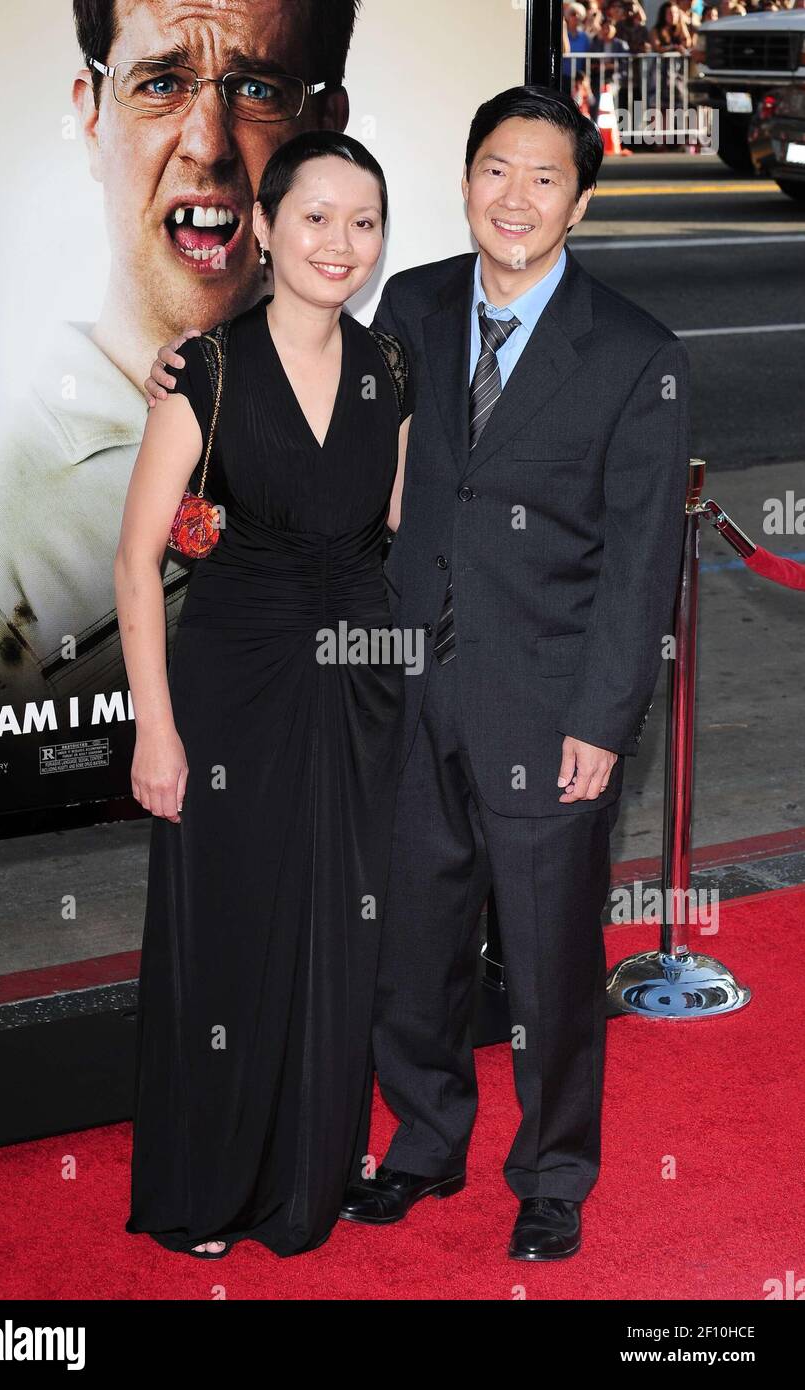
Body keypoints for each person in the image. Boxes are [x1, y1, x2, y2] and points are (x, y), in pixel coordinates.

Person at [148, 84, 691, 1261]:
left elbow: (647, 565)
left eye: (545, 178)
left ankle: (551, 1175)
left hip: (550, 709)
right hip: (396, 693)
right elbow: (300, 376)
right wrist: (183, 367)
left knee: (549, 960)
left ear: (579, 204)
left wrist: (605, 717)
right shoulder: (416, 304)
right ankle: (423, 1143)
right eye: (496, 169)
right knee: (409, 945)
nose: (516, 196)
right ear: (464, 181)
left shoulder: (637, 355)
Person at [118, 129, 414, 1258]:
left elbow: (393, 526)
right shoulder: (209, 367)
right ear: (265, 226)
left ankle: (308, 1176)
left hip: (356, 687)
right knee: (232, 931)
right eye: (317, 216)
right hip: (232, 688)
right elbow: (137, 557)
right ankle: (210, 1188)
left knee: (339, 933)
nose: (340, 242)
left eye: (364, 221)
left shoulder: (391, 366)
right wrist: (156, 723)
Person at [0, 0, 360, 777]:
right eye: (162, 81)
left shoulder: (389, 412)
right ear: (92, 122)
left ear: (324, 132)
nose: (206, 144)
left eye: (256, 88)